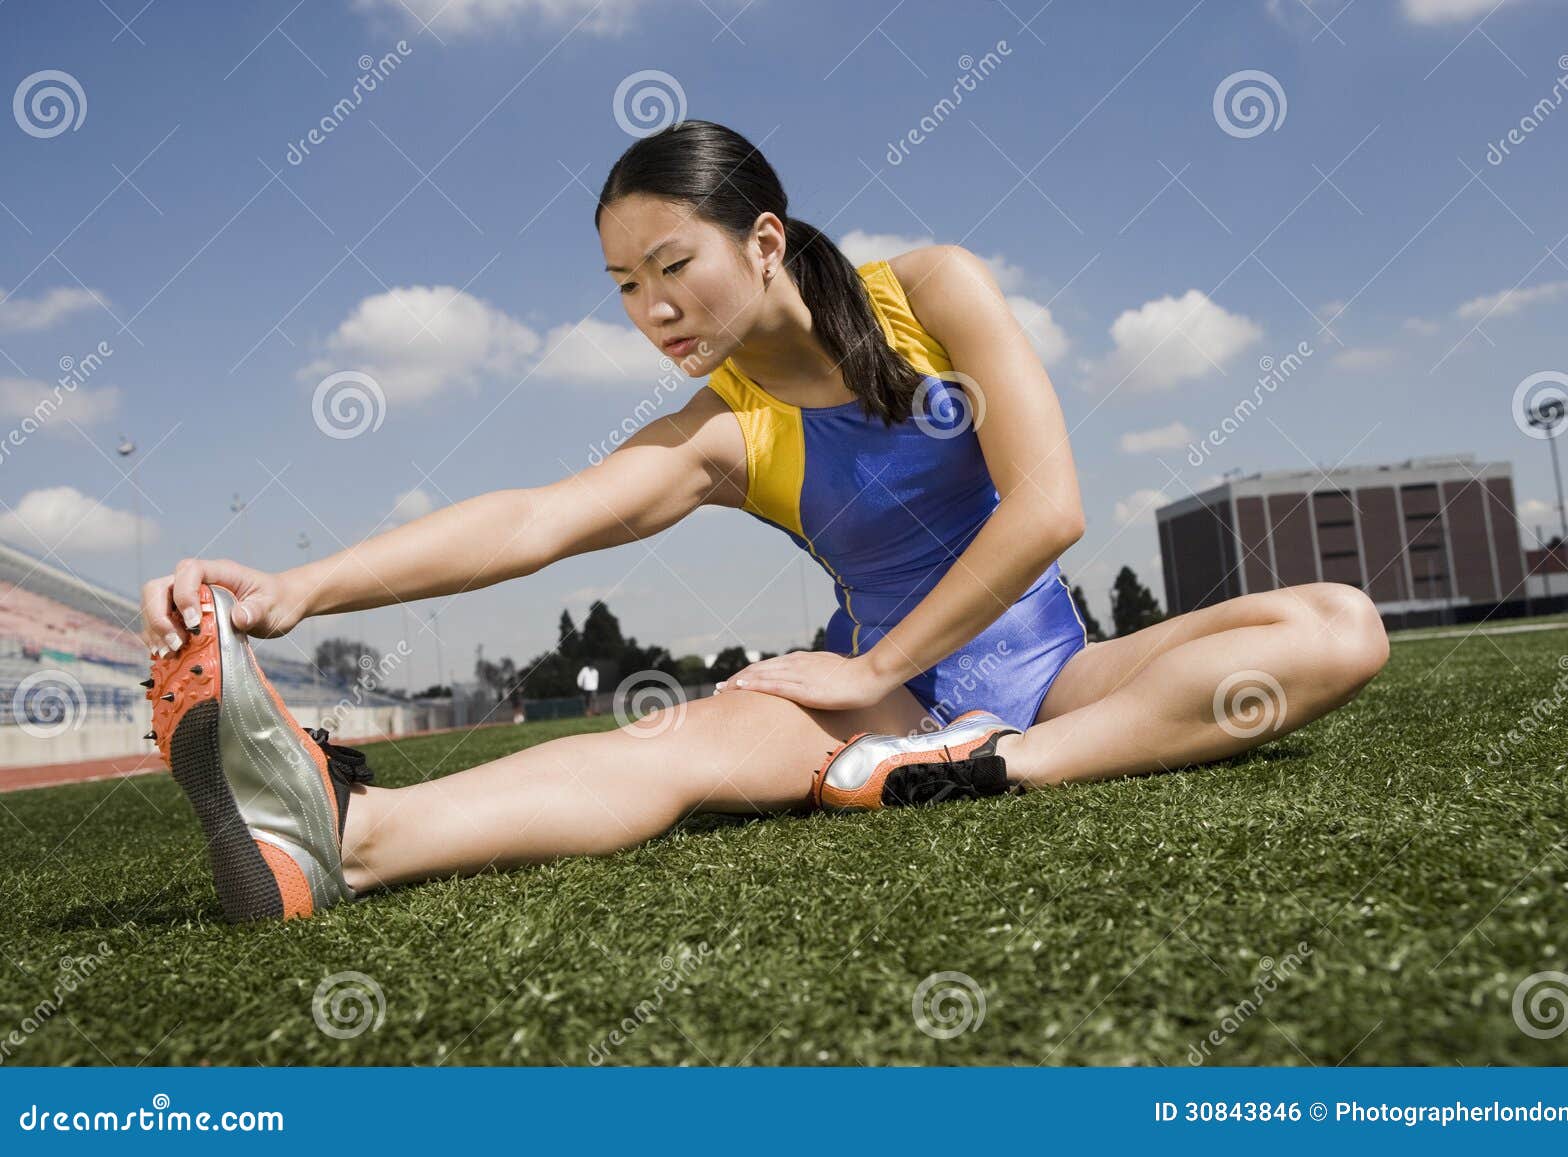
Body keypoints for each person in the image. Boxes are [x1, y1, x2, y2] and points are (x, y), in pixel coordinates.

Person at [138, 120, 1388, 922]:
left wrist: (901, 681)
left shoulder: (933, 291)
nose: (652, 309)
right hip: (873, 712)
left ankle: (990, 768)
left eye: (673, 266)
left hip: (1048, 675)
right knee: (678, 745)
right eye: (626, 286)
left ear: (764, 240)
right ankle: (349, 837)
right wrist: (297, 589)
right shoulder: (724, 432)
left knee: (1340, 626)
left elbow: (1049, 507)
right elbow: (536, 520)